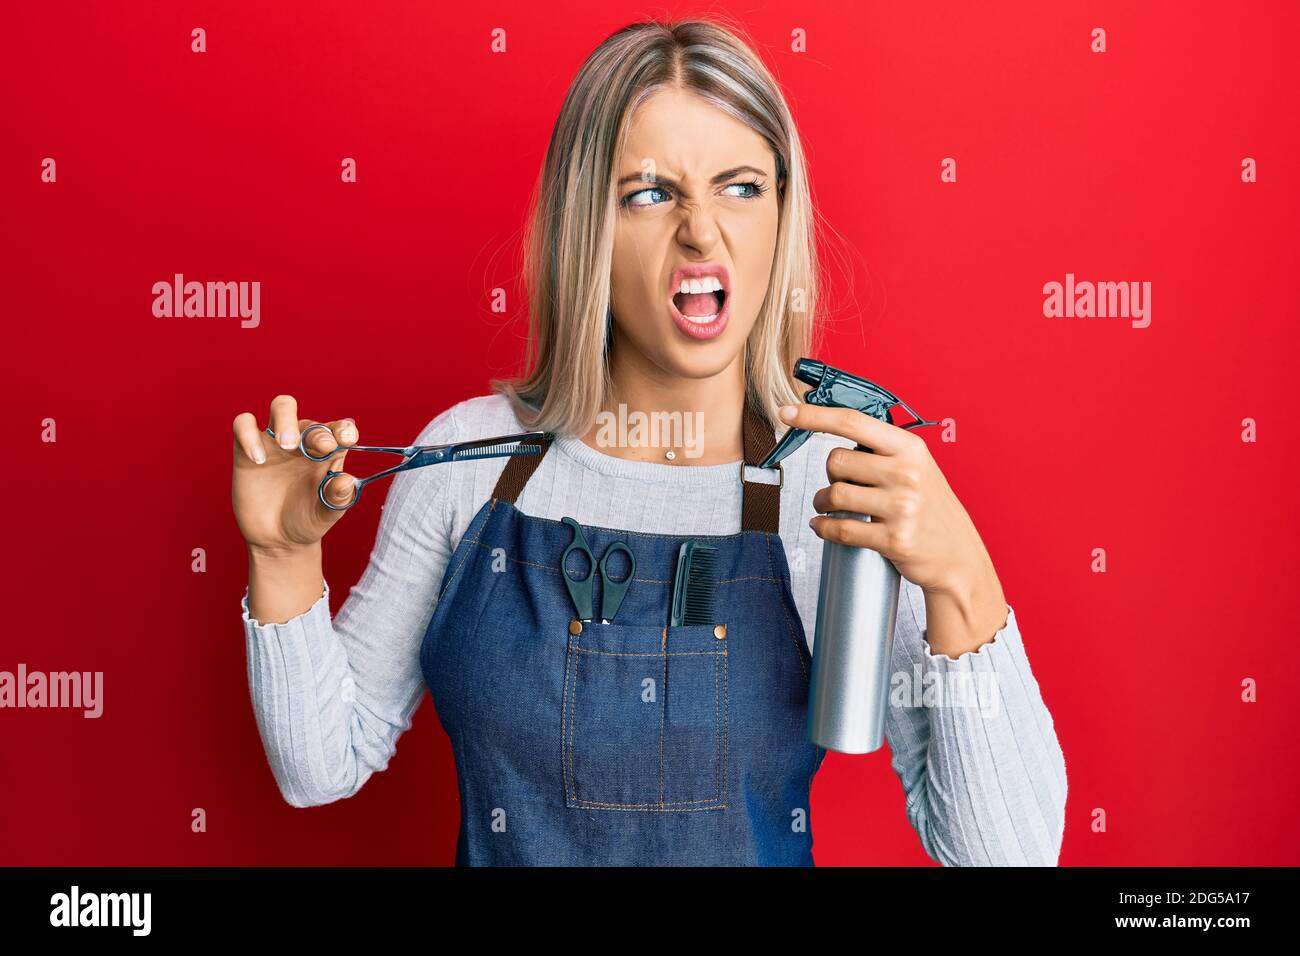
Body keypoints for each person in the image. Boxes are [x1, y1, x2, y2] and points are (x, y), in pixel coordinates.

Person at [231, 17, 1067, 866]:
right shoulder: (466, 461)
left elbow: (1008, 855)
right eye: (650, 193)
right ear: (585, 226)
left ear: (782, 212)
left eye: (741, 187)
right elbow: (320, 767)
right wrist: (282, 558)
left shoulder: (837, 482)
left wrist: (966, 578)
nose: (702, 232)